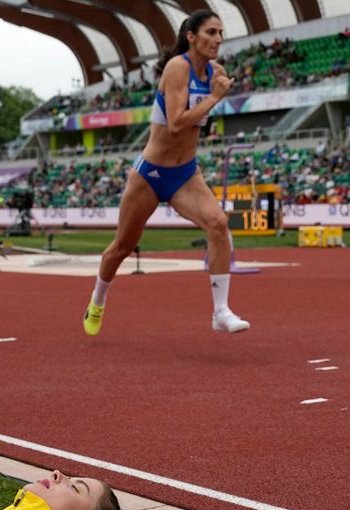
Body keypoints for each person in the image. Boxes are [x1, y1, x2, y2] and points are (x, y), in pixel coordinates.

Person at [82, 9, 250, 337]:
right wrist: (215, 98)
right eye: (211, 32)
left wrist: (214, 94)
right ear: (191, 36)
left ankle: (220, 311)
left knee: (218, 224)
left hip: (186, 174)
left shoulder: (215, 72)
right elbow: (175, 124)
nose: (217, 39)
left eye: (220, 34)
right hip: (151, 175)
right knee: (123, 247)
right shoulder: (177, 68)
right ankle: (97, 299)